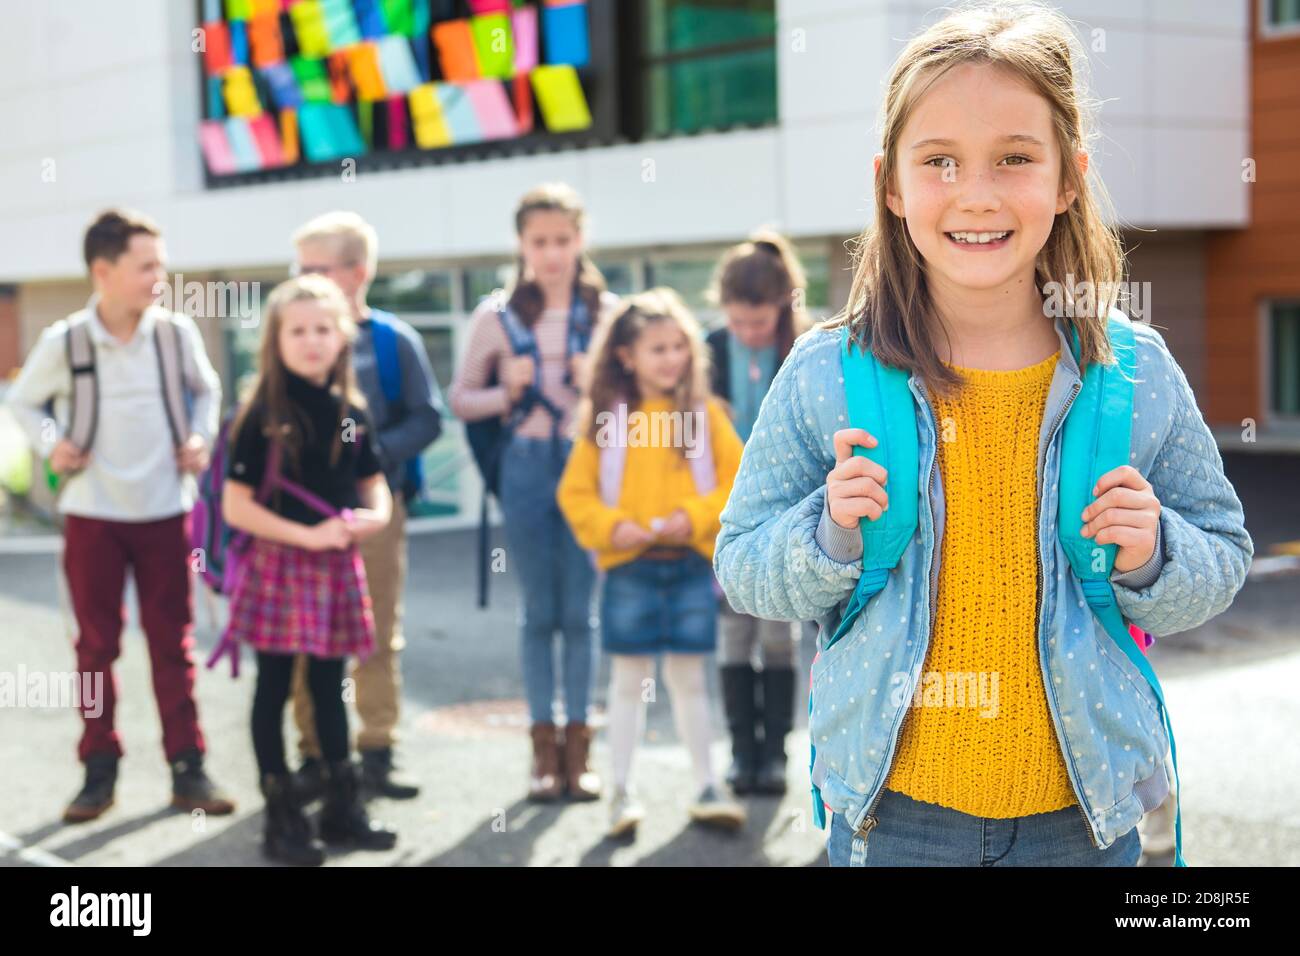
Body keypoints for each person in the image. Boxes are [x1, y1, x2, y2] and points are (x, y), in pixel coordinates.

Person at [713, 0, 1253, 867]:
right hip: (895, 817)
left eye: (1015, 158)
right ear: (890, 182)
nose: (977, 193)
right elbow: (743, 568)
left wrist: (1156, 554)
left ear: (1069, 176)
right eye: (940, 162)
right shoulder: (827, 374)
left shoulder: (1135, 370)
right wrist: (826, 535)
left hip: (1084, 820)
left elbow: (1222, 555)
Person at [6, 208, 234, 823]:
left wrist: (200, 436)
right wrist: (53, 440)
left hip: (165, 511)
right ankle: (98, 770)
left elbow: (206, 391)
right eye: (147, 266)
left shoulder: (173, 334)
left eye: (160, 264)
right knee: (95, 648)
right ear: (102, 271)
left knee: (172, 643)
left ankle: (188, 768)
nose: (160, 277)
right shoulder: (67, 340)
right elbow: (24, 402)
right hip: (93, 515)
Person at [449, 183, 620, 801]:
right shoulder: (493, 317)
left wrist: (593, 388)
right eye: (539, 241)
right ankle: (542, 754)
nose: (551, 254)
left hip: (586, 468)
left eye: (563, 240)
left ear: (581, 240)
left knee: (580, 611)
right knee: (537, 612)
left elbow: (640, 405)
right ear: (521, 244)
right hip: (524, 463)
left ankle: (579, 750)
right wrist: (507, 393)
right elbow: (461, 399)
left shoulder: (608, 315)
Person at [220, 275, 397, 865]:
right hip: (280, 565)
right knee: (273, 686)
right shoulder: (261, 415)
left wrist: (373, 517)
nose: (311, 340)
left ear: (342, 335)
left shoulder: (351, 412)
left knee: (328, 685)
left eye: (323, 328)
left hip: (334, 565)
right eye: (297, 330)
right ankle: (282, 816)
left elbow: (375, 484)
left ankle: (342, 807)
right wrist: (308, 535)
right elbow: (236, 504)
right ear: (275, 340)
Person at [557, 288, 747, 836]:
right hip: (628, 568)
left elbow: (739, 485)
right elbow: (577, 494)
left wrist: (694, 514)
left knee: (689, 680)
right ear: (626, 357)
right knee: (626, 681)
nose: (671, 359)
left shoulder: (708, 416)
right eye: (657, 349)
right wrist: (613, 527)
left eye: (677, 347)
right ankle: (619, 792)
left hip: (690, 565)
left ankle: (708, 787)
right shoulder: (604, 420)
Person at [289, 212, 444, 800]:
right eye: (298, 269)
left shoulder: (392, 341)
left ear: (358, 274)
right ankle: (314, 755)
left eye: (316, 268)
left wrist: (369, 459)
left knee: (377, 630)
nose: (303, 280)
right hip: (304, 515)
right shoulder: (295, 340)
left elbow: (427, 417)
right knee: (307, 633)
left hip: (377, 510)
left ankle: (376, 748)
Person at [704, 229, 812, 795]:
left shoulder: (803, 350)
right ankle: (741, 752)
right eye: (738, 323)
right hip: (723, 517)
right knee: (731, 638)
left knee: (777, 638)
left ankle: (774, 755)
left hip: (785, 515)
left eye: (759, 324)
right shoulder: (708, 351)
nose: (747, 334)